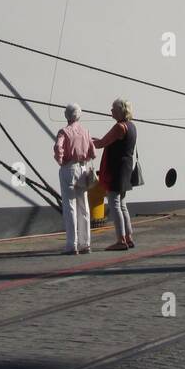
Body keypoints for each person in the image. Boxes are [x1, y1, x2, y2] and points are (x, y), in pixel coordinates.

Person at [95, 97, 137, 251]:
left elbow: (101, 143)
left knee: (114, 204)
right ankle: (129, 237)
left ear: (121, 110)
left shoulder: (119, 127)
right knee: (122, 204)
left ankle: (120, 240)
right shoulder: (132, 126)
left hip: (116, 170)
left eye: (113, 108)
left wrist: (85, 141)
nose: (111, 110)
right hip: (126, 169)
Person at [53, 102, 96, 255]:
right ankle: (86, 244)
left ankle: (72, 245)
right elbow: (93, 152)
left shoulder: (63, 132)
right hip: (83, 168)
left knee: (70, 207)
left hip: (69, 169)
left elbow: (58, 147)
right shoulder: (85, 131)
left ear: (66, 116)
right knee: (84, 206)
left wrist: (60, 159)